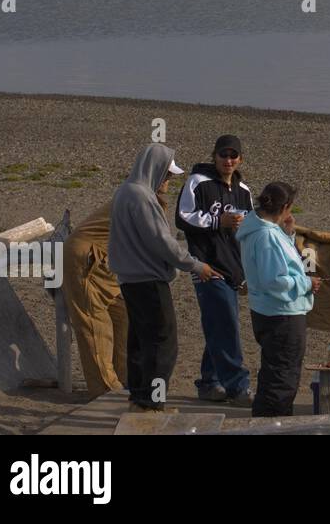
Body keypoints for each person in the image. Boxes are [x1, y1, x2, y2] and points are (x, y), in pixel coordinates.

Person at [108, 143, 218, 412]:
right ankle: (152, 400)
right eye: (167, 174)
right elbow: (161, 242)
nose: (169, 180)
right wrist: (195, 265)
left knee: (139, 339)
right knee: (163, 342)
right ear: (155, 170)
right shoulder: (141, 196)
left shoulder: (125, 191)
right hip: (148, 280)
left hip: (130, 279)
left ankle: (139, 395)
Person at [175, 134, 254, 404]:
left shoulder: (244, 191)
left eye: (233, 155)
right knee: (226, 325)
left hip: (233, 269)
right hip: (207, 266)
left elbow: (251, 230)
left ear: (240, 158)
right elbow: (183, 217)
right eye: (223, 155)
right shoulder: (197, 181)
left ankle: (210, 382)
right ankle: (238, 387)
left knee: (219, 325)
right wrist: (217, 221)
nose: (228, 160)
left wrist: (247, 271)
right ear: (214, 156)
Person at [237, 182, 317, 418]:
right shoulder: (265, 236)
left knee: (275, 374)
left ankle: (268, 421)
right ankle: (272, 424)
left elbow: (275, 264)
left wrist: (287, 234)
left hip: (268, 312)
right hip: (282, 314)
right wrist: (307, 283)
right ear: (286, 206)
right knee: (282, 379)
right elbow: (275, 280)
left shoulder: (259, 229)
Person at [62, 202, 128, 397]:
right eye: (165, 177)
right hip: (87, 259)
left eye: (170, 177)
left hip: (105, 263)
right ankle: (106, 391)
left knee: (125, 315)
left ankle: (125, 380)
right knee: (95, 325)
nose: (166, 183)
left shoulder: (146, 197)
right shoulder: (138, 197)